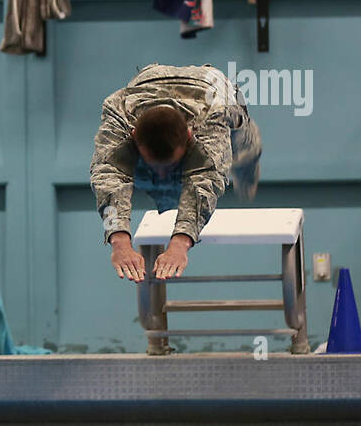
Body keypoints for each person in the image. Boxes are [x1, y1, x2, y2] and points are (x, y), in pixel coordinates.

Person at [90, 63, 262, 282]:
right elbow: (107, 177)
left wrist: (180, 242)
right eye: (154, 166)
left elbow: (206, 182)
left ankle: (244, 158)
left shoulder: (211, 116)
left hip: (211, 86)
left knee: (241, 150)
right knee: (113, 165)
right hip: (148, 82)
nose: (162, 175)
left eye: (170, 166)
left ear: (190, 136)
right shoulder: (119, 111)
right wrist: (119, 241)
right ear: (133, 136)